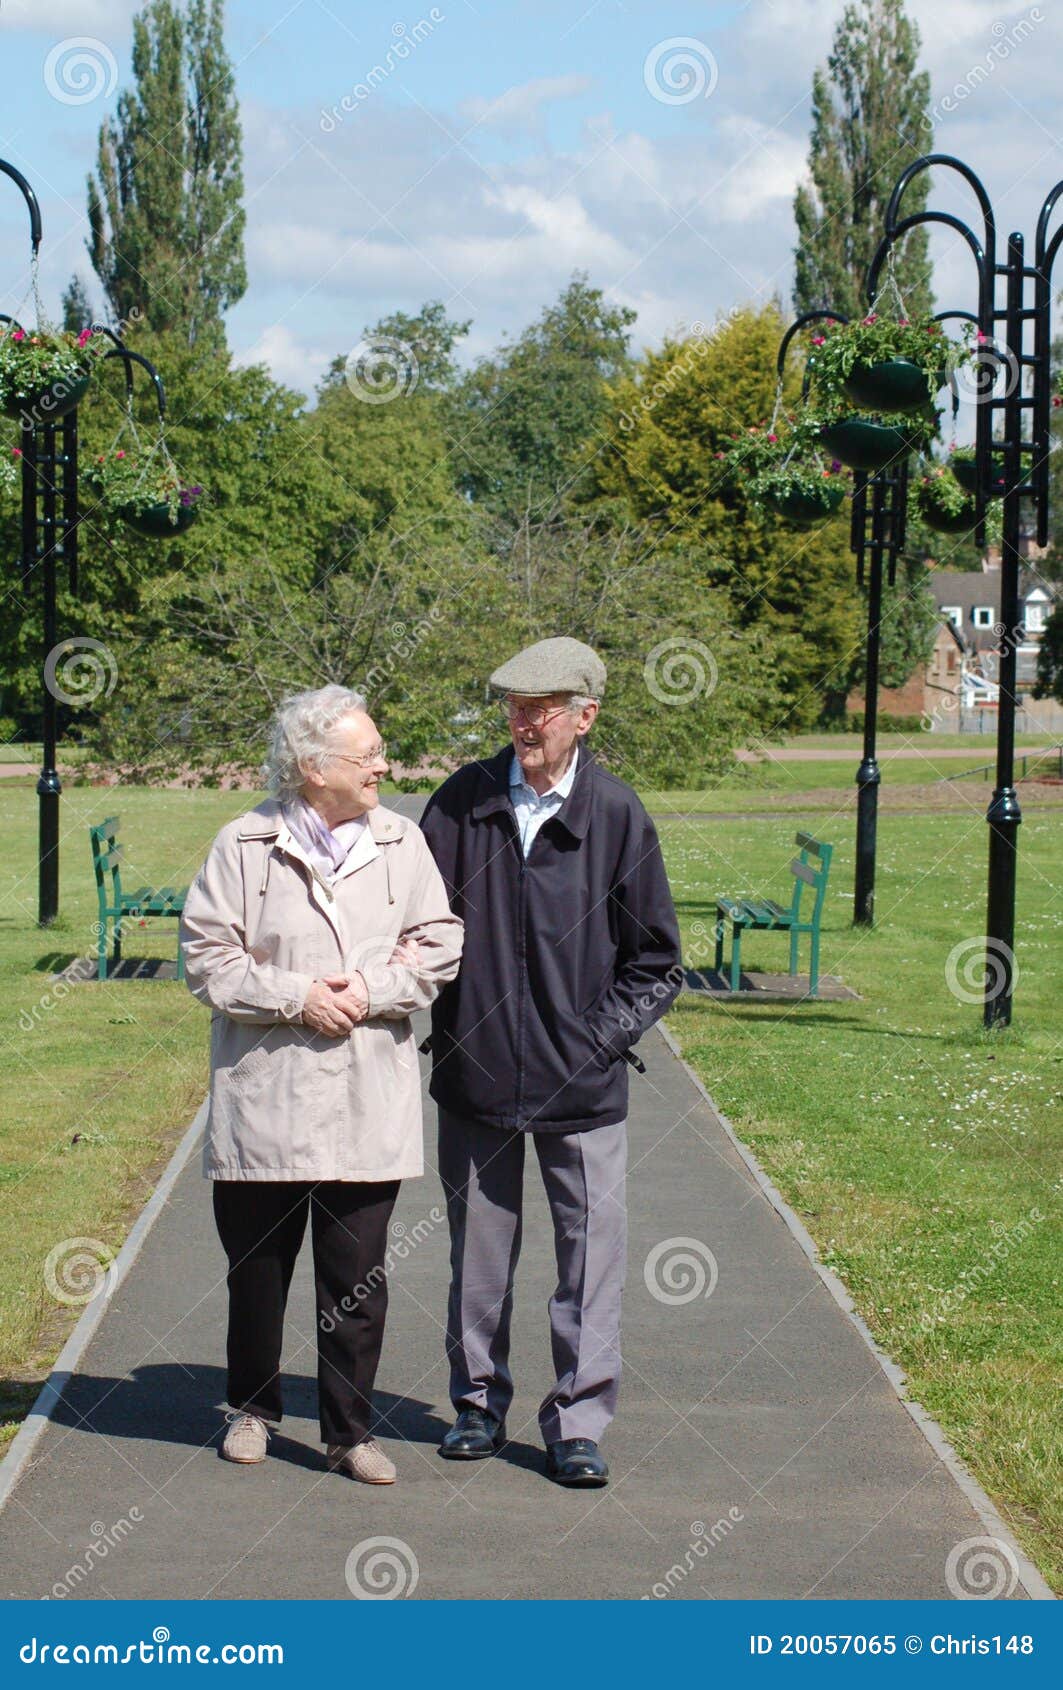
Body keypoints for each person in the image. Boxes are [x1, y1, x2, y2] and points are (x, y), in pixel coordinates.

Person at [179, 685, 462, 1484]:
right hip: (267, 1093)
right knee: (257, 1273)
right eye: (366, 754)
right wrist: (297, 997)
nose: (383, 766)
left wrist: (370, 991)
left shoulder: (401, 841)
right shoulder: (243, 844)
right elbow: (207, 959)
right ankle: (251, 1409)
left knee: (356, 1282)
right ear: (313, 767)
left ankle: (349, 1433)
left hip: (364, 1095)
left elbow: (438, 940)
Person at [419, 637, 682, 1487]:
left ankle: (576, 1423)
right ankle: (475, 1405)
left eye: (541, 709)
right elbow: (413, 923)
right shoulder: (460, 801)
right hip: (477, 1073)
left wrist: (596, 1039)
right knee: (478, 1256)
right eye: (514, 708)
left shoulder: (617, 814)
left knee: (590, 1260)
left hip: (583, 1085)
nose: (523, 723)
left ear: (584, 716)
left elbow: (656, 961)